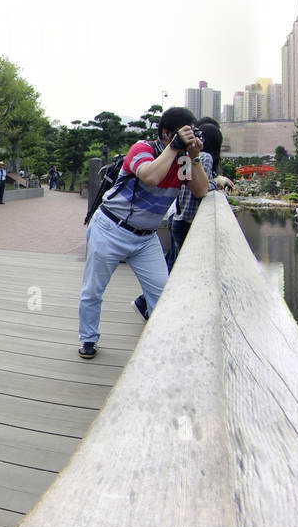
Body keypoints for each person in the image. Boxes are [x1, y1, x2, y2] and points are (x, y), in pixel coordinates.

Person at [78, 110, 210, 360]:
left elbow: (201, 189)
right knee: (93, 290)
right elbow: (150, 176)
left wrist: (194, 157)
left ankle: (164, 340)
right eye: (185, 132)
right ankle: (88, 338)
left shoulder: (184, 159)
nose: (190, 137)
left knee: (162, 292)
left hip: (146, 238)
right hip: (110, 228)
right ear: (167, 133)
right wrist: (174, 147)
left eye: (193, 132)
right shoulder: (142, 149)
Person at [161, 121, 222, 260]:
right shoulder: (204, 157)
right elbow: (201, 189)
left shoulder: (185, 156)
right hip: (189, 223)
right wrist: (216, 182)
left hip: (178, 220)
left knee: (177, 262)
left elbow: (183, 183)